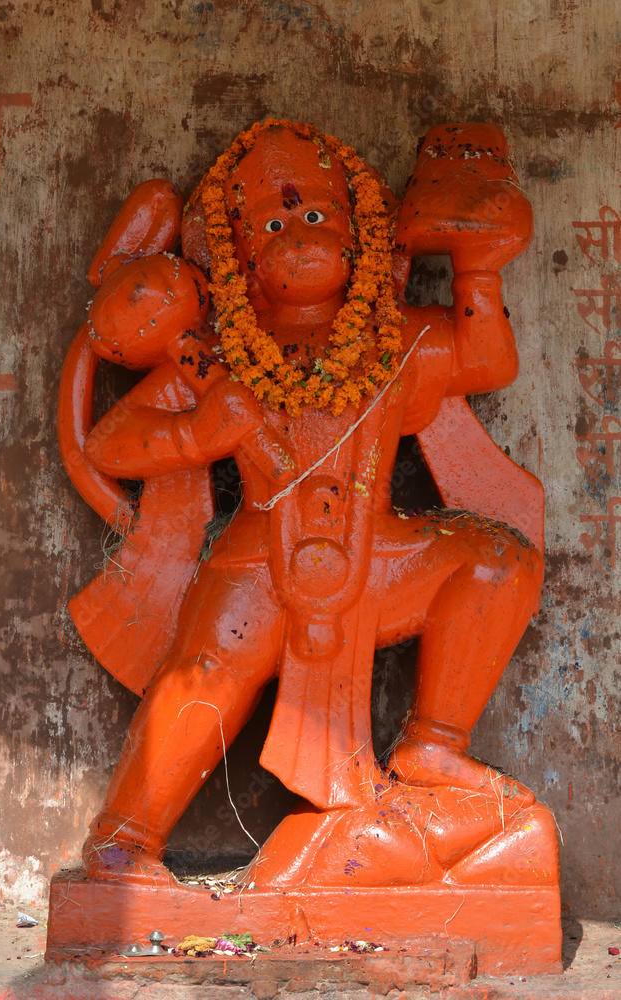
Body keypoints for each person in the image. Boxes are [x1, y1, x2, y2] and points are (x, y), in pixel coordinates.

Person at [59, 120, 543, 884]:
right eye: (274, 225)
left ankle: (433, 746)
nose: (300, 235)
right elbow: (112, 444)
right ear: (240, 257)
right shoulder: (220, 351)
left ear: (362, 239)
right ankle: (124, 840)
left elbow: (486, 359)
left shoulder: (395, 340)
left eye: (318, 216)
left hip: (379, 555)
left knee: (498, 563)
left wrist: (479, 269)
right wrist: (195, 432)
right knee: (206, 670)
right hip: (258, 563)